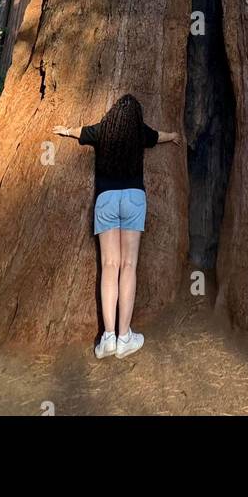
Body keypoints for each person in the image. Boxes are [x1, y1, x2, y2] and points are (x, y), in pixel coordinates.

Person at [54, 94, 180, 359]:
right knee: (129, 266)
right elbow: (159, 136)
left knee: (109, 266)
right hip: (133, 198)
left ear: (112, 114)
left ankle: (108, 337)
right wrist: (175, 135)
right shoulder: (139, 133)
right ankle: (125, 337)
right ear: (136, 118)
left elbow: (81, 132)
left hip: (107, 199)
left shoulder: (103, 131)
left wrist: (64, 131)